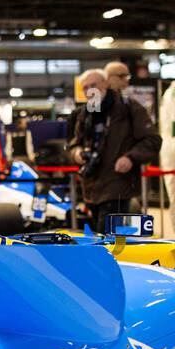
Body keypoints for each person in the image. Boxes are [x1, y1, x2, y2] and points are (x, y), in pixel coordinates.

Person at [69, 65, 160, 232]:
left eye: (93, 85)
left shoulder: (128, 108)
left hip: (118, 184)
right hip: (91, 188)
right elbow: (74, 144)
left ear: (105, 83)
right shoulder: (85, 114)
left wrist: (130, 158)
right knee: (98, 239)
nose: (90, 91)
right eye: (86, 88)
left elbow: (152, 140)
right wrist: (77, 154)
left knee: (108, 239)